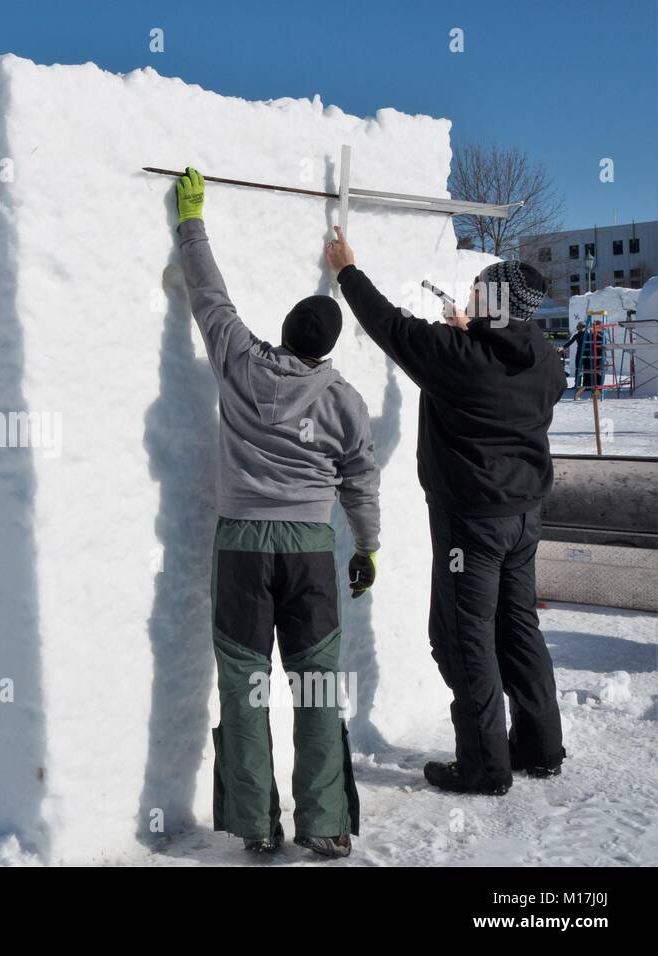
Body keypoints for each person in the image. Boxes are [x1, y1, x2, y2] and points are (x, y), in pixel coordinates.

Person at [175, 169, 381, 859]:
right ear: (326, 348)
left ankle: (257, 824)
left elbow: (209, 294)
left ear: (287, 332)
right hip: (310, 552)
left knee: (244, 684)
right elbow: (361, 477)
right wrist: (368, 547)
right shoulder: (344, 401)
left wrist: (191, 219)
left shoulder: (239, 359)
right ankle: (324, 824)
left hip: (239, 547)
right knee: (317, 684)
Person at [324, 226, 567, 797]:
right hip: (525, 515)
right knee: (518, 626)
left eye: (481, 292)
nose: (472, 296)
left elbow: (389, 327)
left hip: (471, 524)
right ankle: (540, 746)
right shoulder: (546, 360)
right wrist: (481, 333)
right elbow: (505, 368)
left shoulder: (456, 356)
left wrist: (345, 270)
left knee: (463, 637)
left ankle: (484, 766)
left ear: (493, 304)